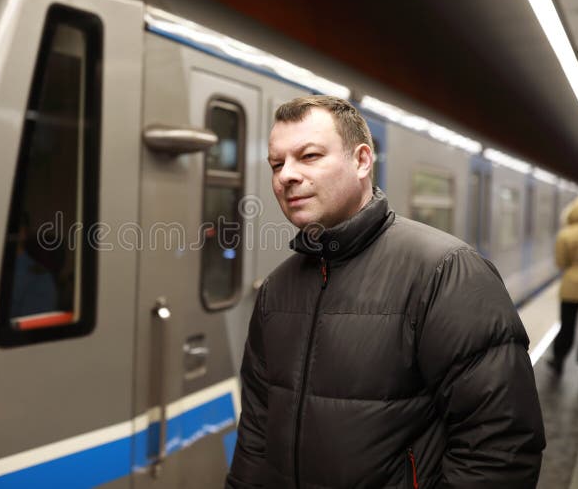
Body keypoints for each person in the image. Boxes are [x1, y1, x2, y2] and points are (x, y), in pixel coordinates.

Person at [226, 96, 545, 488]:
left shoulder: (446, 272)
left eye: (308, 156)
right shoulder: (278, 290)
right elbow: (257, 432)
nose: (286, 175)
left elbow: (501, 446)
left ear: (362, 161)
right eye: (277, 163)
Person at [549, 196, 578, 384]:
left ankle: (558, 361)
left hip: (571, 285)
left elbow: (561, 262)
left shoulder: (566, 234)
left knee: (566, 325)